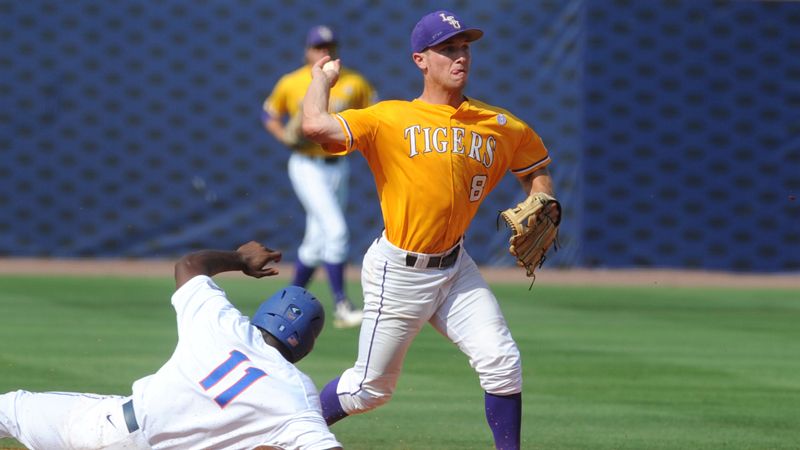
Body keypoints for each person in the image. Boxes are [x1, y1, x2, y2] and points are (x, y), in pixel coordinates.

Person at [300, 10, 560, 450]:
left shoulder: (500, 125)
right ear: (421, 59)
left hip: (456, 267)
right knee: (369, 391)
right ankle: (285, 429)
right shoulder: (388, 119)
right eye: (448, 49)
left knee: (502, 362)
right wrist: (321, 80)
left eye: (465, 48)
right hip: (398, 272)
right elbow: (314, 126)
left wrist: (543, 198)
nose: (461, 57)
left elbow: (536, 169)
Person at [0, 241, 342, 450]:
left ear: (262, 316)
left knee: (11, 408)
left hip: (106, 432)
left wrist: (240, 259)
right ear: (304, 350)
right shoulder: (297, 393)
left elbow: (190, 265)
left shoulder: (224, 325)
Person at [261, 25, 376, 329]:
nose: (325, 51)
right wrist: (284, 138)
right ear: (307, 50)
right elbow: (269, 114)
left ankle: (283, 305)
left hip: (339, 165)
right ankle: (342, 305)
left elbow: (375, 118)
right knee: (336, 231)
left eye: (329, 46)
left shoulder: (354, 82)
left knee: (314, 244)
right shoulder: (293, 82)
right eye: (318, 47)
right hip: (307, 165)